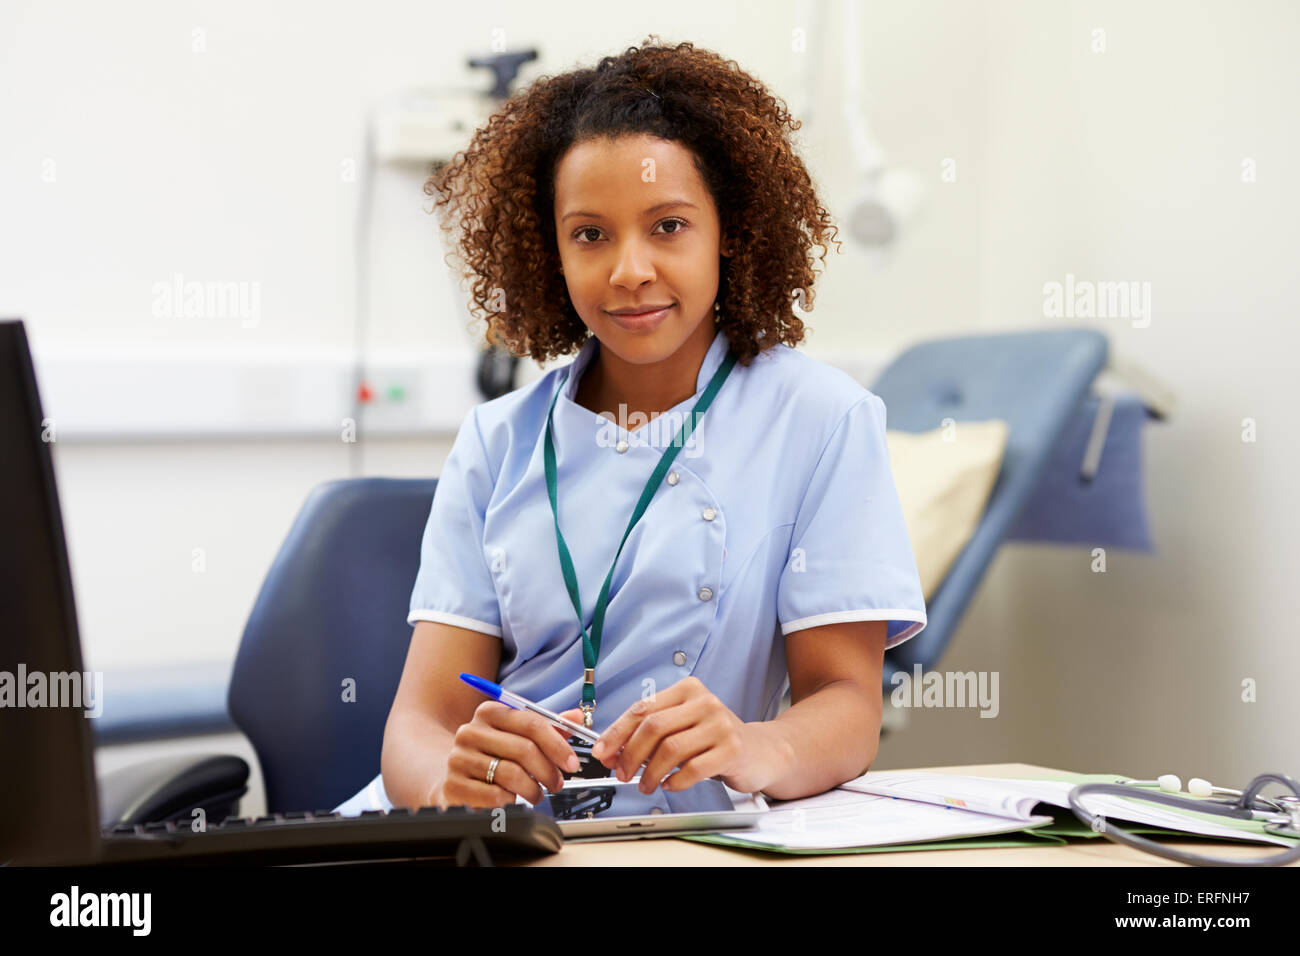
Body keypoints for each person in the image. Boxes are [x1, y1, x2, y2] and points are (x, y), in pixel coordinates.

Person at [333, 37, 926, 816]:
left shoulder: (821, 422)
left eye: (669, 226)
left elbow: (846, 703)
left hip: (680, 836)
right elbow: (421, 721)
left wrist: (756, 745)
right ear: (550, 251)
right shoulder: (497, 441)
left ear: (731, 231)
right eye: (590, 234)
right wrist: (451, 785)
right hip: (485, 843)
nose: (629, 269)